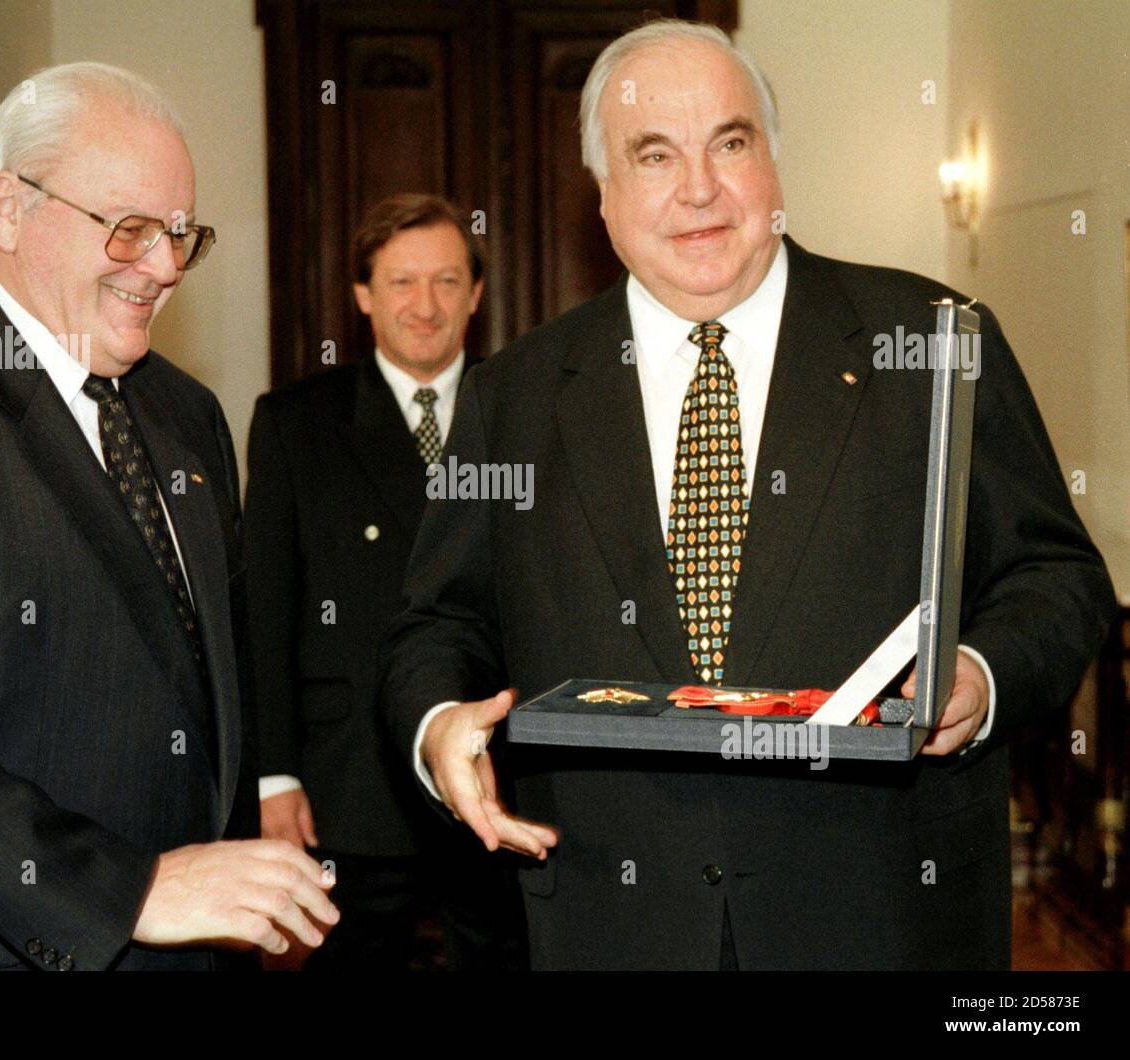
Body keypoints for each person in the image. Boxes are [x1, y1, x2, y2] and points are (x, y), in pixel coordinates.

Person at [380, 21, 1117, 970]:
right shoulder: (513, 397)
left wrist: (977, 671)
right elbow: (434, 625)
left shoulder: (932, 342)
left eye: (730, 142)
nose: (698, 189)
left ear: (773, 162)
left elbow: (1056, 573)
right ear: (602, 196)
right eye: (654, 155)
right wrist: (440, 727)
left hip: (882, 920)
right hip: (613, 923)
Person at [0, 62, 337, 970]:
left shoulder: (187, 415)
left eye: (184, 234)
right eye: (133, 229)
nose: (167, 267)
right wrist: (125, 889)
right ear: (10, 209)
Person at [245, 194, 525, 969]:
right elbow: (266, 612)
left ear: (475, 294)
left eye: (446, 281)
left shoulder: (529, 411)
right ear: (363, 295)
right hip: (349, 782)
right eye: (401, 283)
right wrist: (273, 777)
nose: (425, 305)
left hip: (500, 772)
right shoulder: (295, 423)